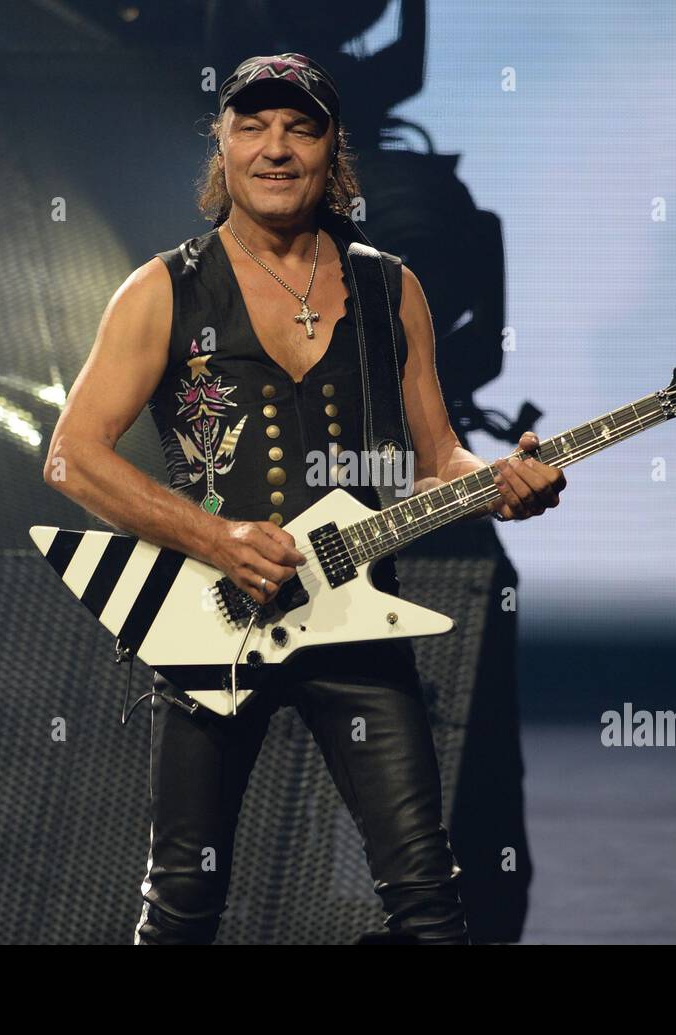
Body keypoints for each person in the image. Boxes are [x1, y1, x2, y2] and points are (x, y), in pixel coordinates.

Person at [43, 52, 566, 944]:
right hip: (212, 627)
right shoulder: (163, 288)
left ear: (334, 150)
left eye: (300, 127)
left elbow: (436, 457)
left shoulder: (390, 286)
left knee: (432, 911)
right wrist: (216, 538)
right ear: (224, 145)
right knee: (180, 909)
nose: (275, 147)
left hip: (358, 627)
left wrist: (502, 485)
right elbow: (73, 458)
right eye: (253, 126)